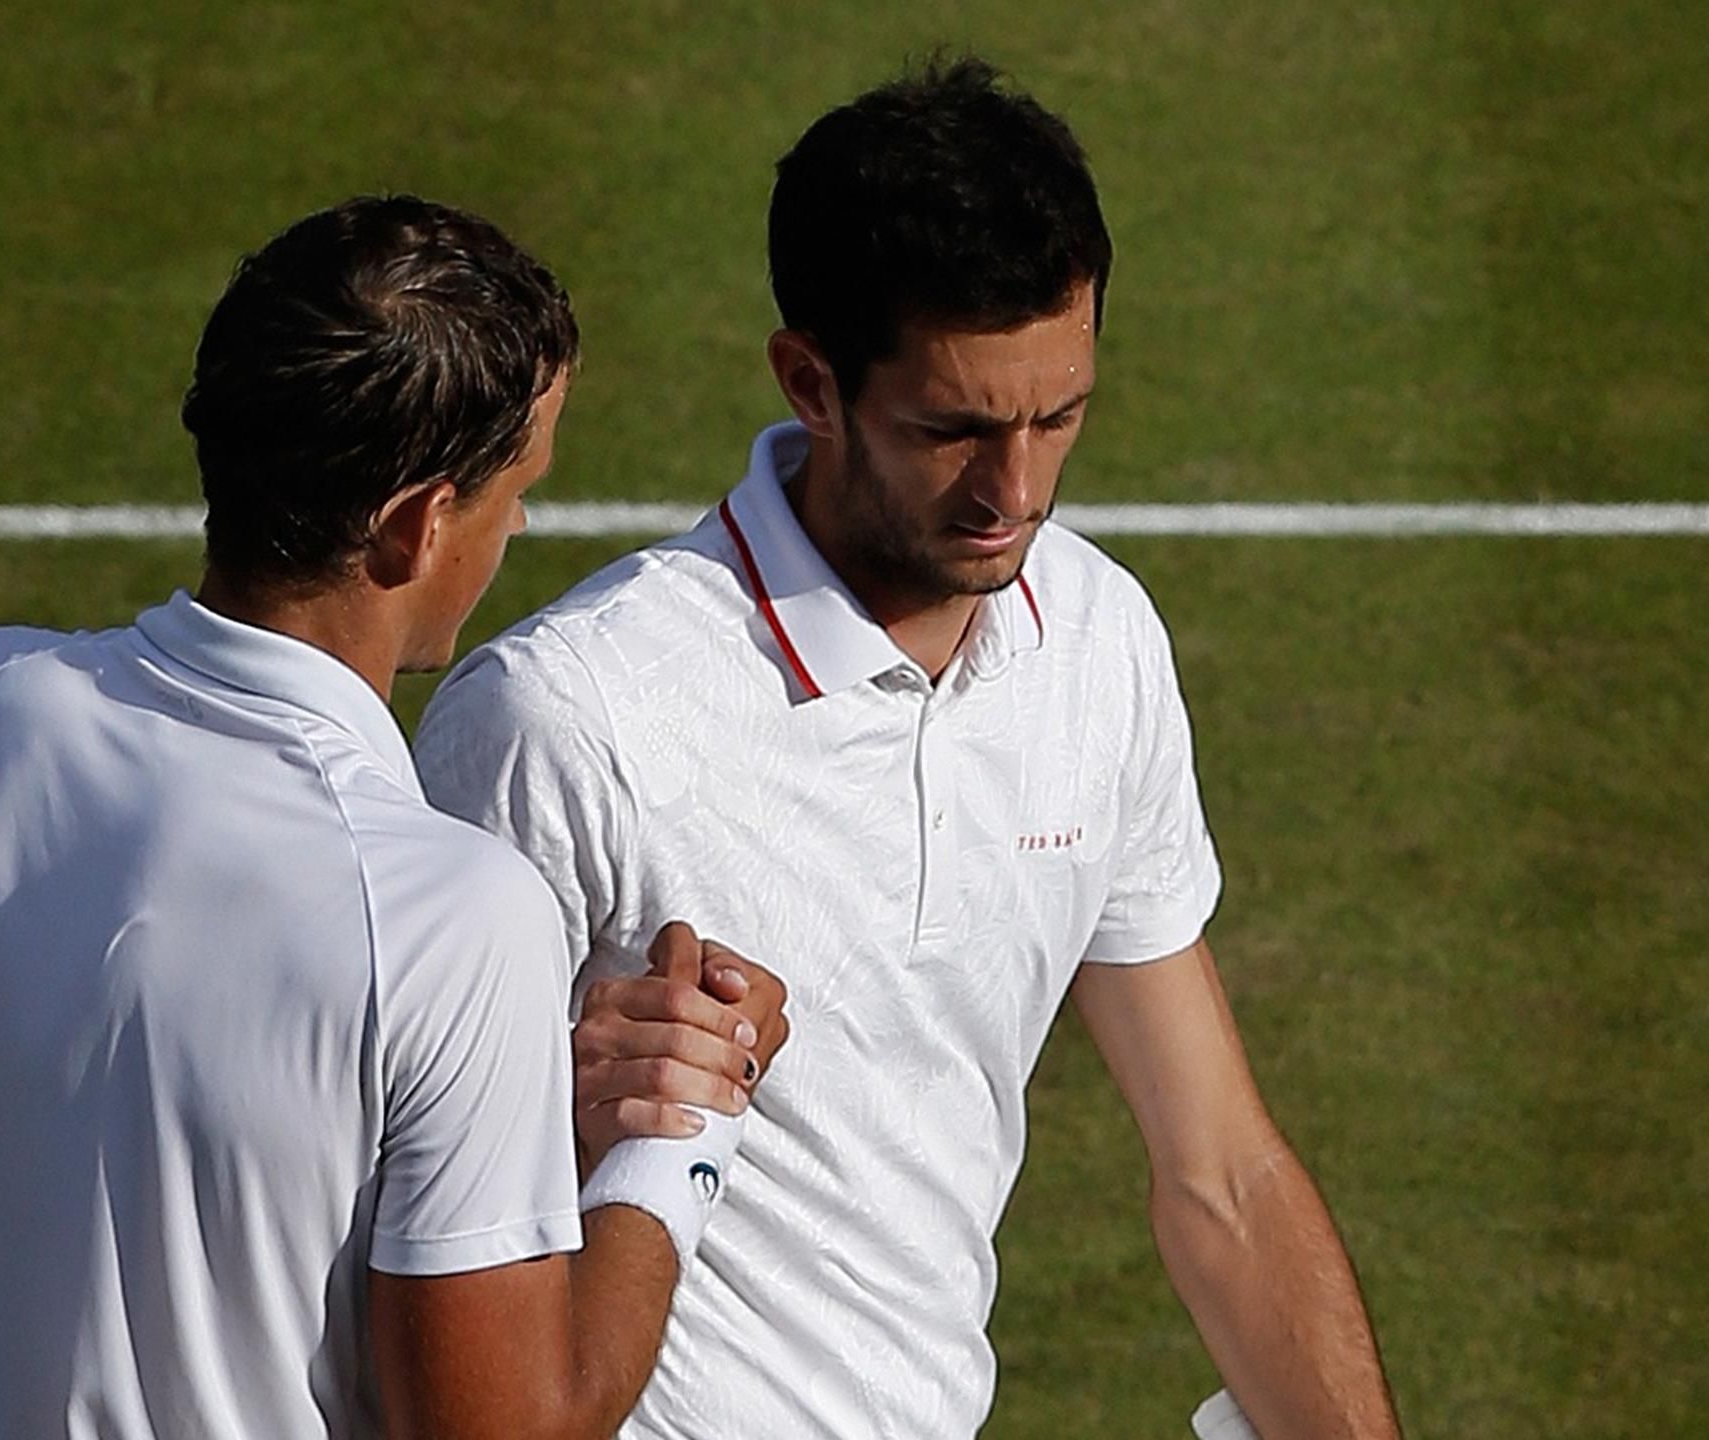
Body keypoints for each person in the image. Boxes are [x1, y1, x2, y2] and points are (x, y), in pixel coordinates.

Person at [0, 194, 786, 1440]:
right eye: (515, 490)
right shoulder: (453, 918)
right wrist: (676, 1139)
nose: (518, 526)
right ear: (415, 526)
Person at [414, 59, 1403, 1438]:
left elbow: (1220, 1174)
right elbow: (375, 1205)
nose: (1017, 492)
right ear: (811, 383)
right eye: (955, 431)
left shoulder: (1099, 643)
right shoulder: (566, 719)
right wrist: (571, 1107)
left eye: (1059, 417)